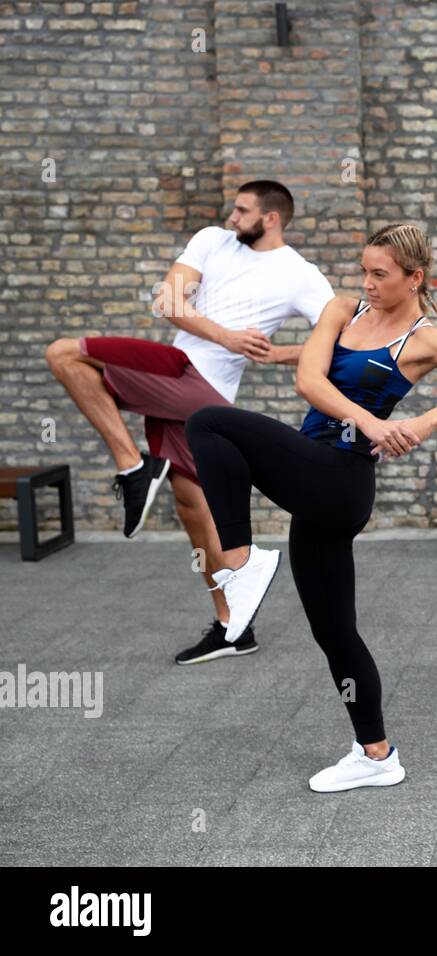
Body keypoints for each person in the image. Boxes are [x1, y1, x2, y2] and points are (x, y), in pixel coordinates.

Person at [184, 223, 437, 792]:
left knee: (210, 422)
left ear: (416, 279)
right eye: (364, 270)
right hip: (314, 468)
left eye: (380, 275)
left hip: (342, 481)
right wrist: (369, 420)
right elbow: (309, 381)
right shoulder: (342, 310)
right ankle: (377, 753)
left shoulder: (425, 338)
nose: (368, 282)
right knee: (334, 630)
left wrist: (421, 423)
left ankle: (238, 563)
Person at [44, 181, 333, 663]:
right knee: (195, 511)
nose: (232, 216)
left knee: (64, 353)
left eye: (243, 210)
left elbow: (344, 341)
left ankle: (133, 465)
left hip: (202, 386)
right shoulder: (211, 240)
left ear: (272, 218)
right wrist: (228, 337)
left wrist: (279, 353)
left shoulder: (300, 275)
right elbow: (169, 303)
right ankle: (232, 627)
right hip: (179, 382)